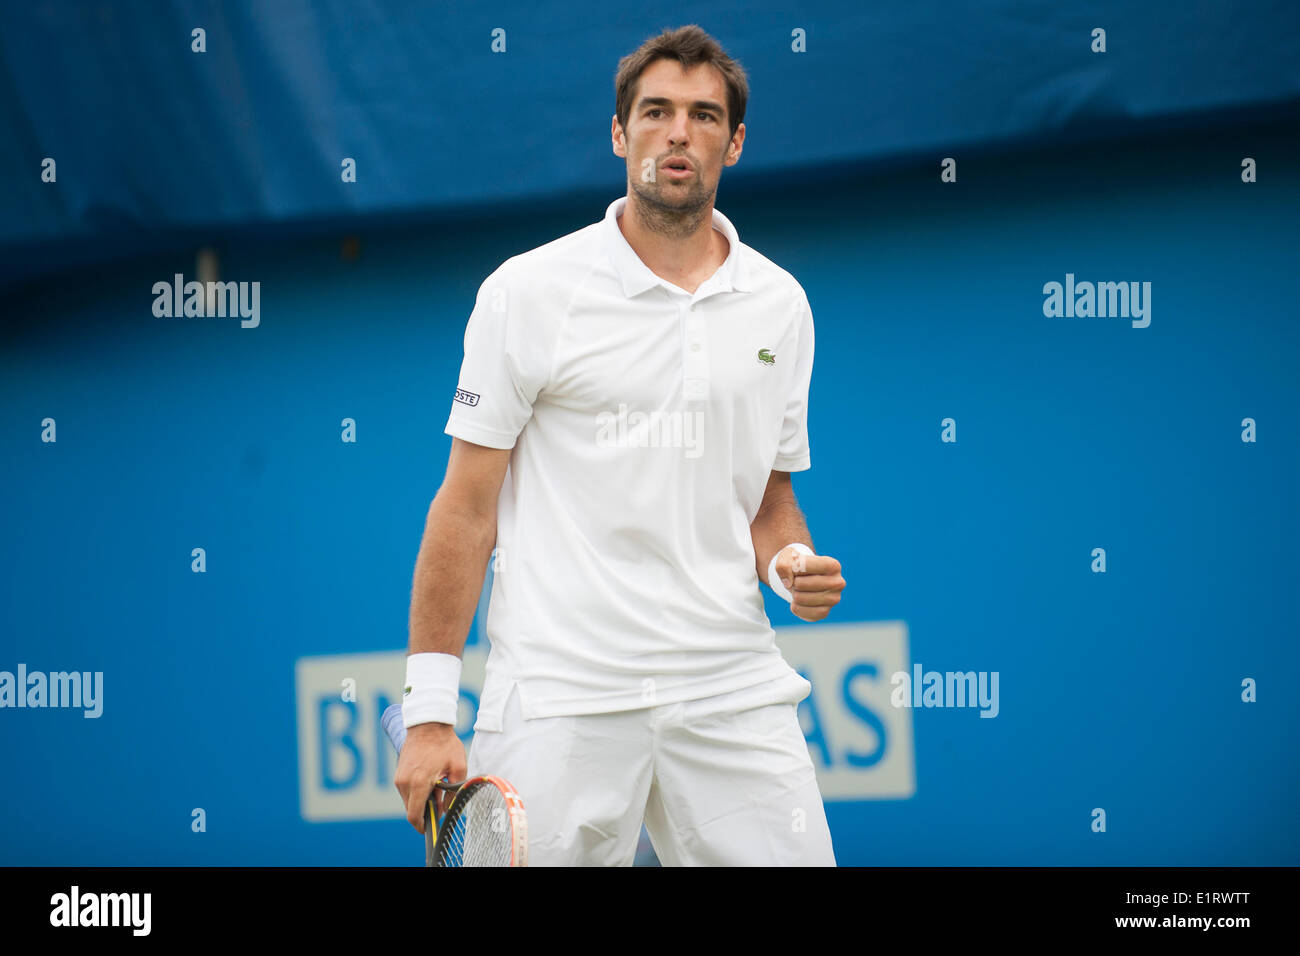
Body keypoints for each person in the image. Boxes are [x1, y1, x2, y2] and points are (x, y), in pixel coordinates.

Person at [395, 24, 846, 866]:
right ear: (619, 133)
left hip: (729, 685)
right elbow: (464, 509)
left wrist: (790, 564)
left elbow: (769, 500)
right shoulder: (525, 293)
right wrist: (427, 715)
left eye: (705, 116)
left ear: (735, 142)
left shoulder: (782, 306)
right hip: (562, 691)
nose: (680, 132)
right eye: (657, 111)